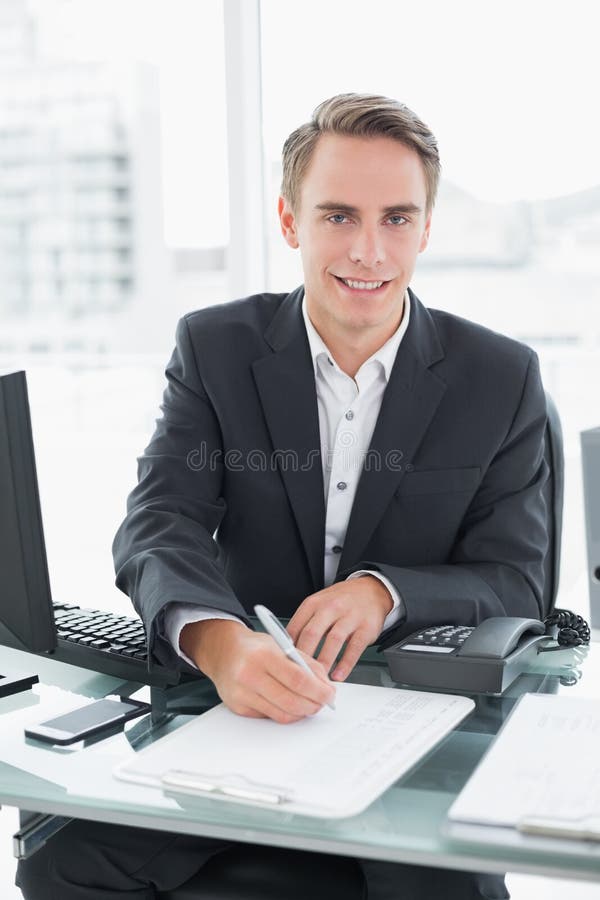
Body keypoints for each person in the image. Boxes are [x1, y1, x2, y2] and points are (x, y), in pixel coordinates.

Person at [17, 93, 548, 899]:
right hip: (235, 718)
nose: (369, 250)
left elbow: (518, 582)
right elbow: (161, 522)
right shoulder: (215, 346)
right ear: (290, 219)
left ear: (427, 228)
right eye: (338, 215)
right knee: (59, 865)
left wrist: (386, 592)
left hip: (418, 739)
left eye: (397, 219)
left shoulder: (501, 378)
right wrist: (218, 643)